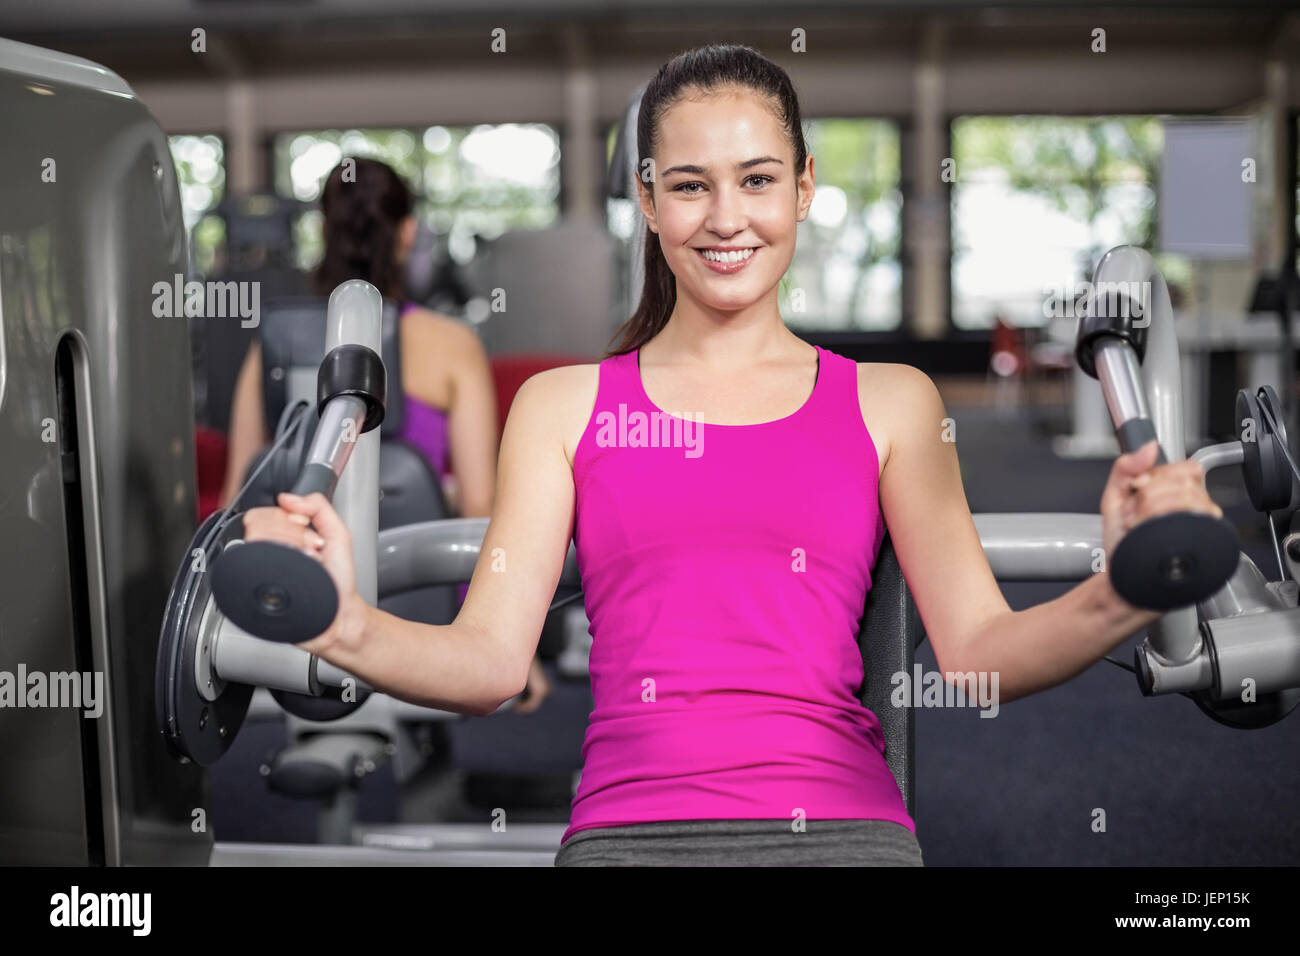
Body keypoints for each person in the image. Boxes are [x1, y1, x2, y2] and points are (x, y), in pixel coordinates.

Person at [234, 45, 1223, 866]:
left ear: (801, 191)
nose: (725, 218)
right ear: (649, 201)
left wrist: (1130, 588)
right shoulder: (563, 406)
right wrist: (339, 619)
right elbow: (491, 660)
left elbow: (976, 656)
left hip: (841, 829)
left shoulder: (890, 402)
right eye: (691, 186)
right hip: (629, 832)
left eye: (756, 180)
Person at [220, 157, 550, 712]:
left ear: (323, 231)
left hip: (294, 616)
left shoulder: (270, 345)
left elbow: (241, 497)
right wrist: (507, 646)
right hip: (416, 623)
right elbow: (479, 510)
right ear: (407, 233)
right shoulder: (452, 345)